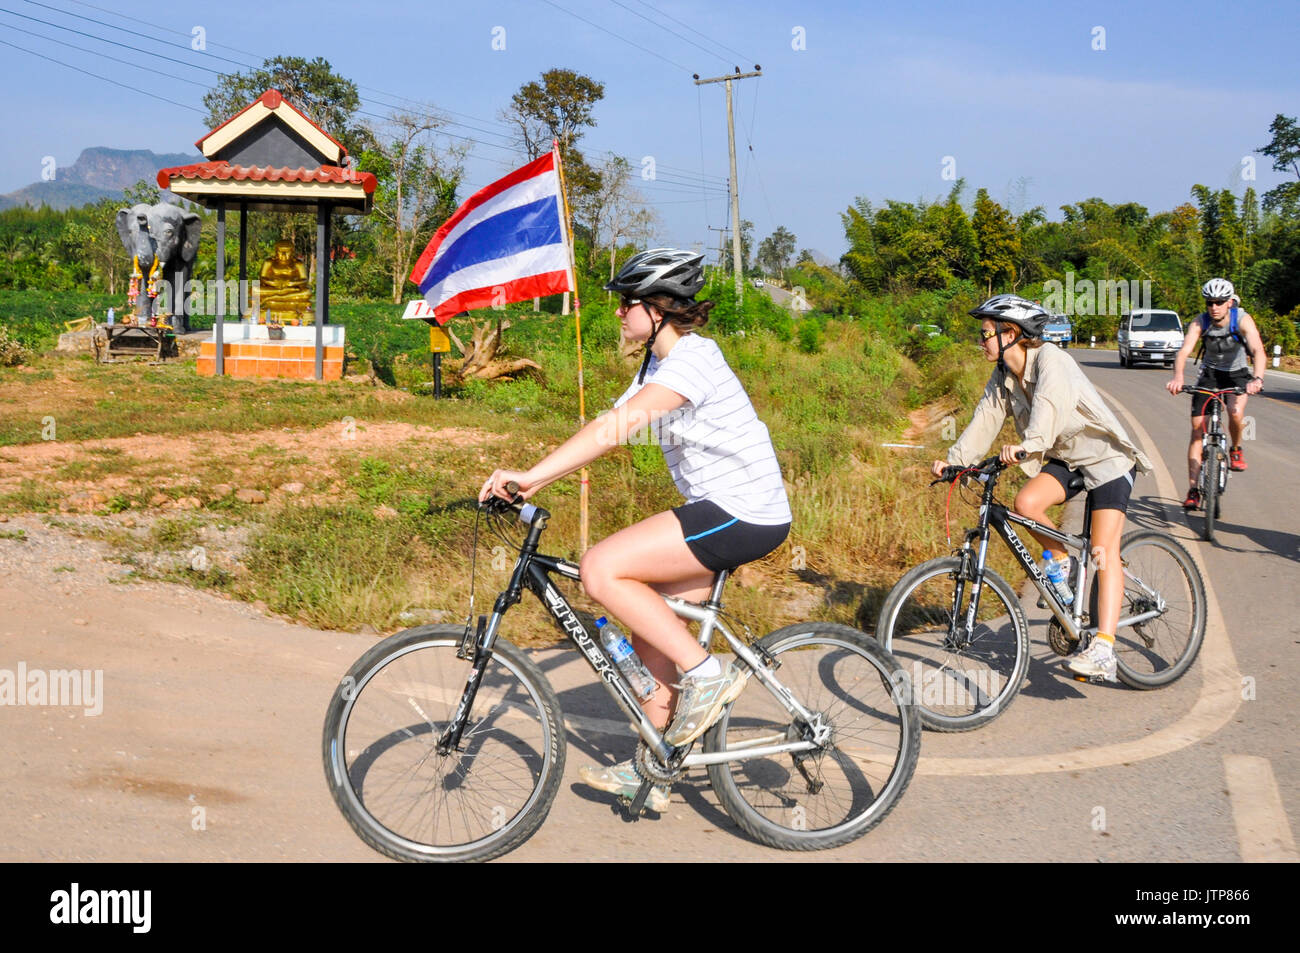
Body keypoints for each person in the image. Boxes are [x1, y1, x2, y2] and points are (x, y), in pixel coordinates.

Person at [479, 248, 792, 809]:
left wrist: (530, 478)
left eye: (628, 303)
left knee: (602, 567)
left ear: (660, 308)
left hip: (742, 510)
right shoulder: (657, 367)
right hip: (724, 509)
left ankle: (706, 673)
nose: (619, 314)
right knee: (650, 629)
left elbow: (615, 430)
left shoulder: (692, 360)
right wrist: (535, 477)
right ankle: (654, 766)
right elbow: (603, 427)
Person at [932, 294, 1152, 682]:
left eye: (985, 333)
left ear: (1010, 333)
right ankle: (1062, 562)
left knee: (1103, 552)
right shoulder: (1003, 375)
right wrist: (955, 460)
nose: (979, 341)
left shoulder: (1054, 361)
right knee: (1025, 502)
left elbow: (1048, 412)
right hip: (1068, 459)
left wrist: (1026, 446)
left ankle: (1103, 649)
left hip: (1107, 459)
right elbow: (984, 420)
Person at [1165, 278, 1266, 508]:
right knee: (1197, 428)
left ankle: (1236, 449)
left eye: (1219, 302)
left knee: (1235, 411)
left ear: (1230, 302)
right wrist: (1178, 377)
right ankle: (1193, 489)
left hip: (1237, 373)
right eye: (1210, 302)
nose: (1214, 307)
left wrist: (1257, 378)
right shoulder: (1201, 322)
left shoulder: (1242, 319)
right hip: (1210, 373)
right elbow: (1184, 351)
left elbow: (1258, 350)